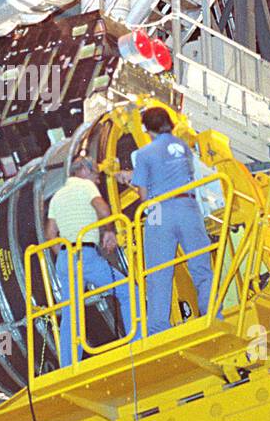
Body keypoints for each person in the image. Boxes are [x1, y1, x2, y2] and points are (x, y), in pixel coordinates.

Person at [125, 105, 216, 335]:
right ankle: (212, 312)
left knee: (159, 272)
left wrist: (129, 180)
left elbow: (144, 196)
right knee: (201, 266)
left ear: (146, 128)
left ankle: (158, 328)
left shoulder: (144, 154)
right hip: (188, 206)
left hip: (159, 211)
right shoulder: (183, 147)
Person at [45, 155, 131, 367]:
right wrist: (109, 231)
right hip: (85, 254)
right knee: (128, 291)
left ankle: (69, 364)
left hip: (66, 257)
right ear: (82, 170)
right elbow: (103, 209)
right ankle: (136, 340)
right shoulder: (86, 186)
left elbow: (50, 234)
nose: (97, 178)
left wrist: (66, 257)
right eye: (94, 172)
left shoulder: (57, 196)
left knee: (70, 312)